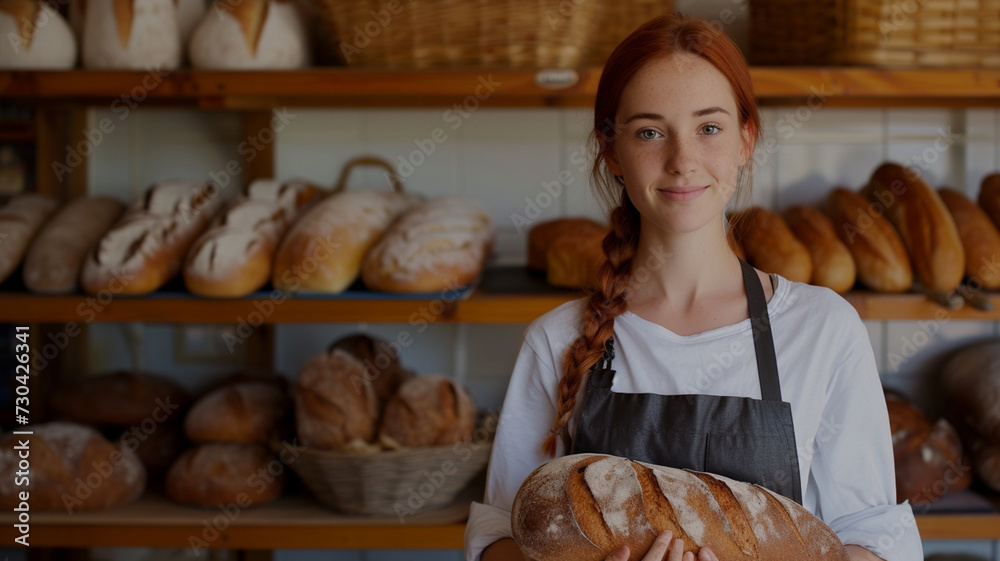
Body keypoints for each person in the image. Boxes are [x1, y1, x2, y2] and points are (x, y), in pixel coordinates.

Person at [464, 12, 923, 561]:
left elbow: (874, 537)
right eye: (650, 132)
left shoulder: (821, 328)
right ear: (612, 151)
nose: (683, 162)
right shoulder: (558, 338)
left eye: (709, 128)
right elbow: (498, 538)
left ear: (745, 139)